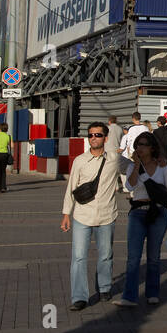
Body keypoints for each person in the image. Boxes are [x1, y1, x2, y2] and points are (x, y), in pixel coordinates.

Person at [60, 122, 121, 310]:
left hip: (106, 215)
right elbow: (71, 188)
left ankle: (104, 288)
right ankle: (79, 297)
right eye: (91, 135)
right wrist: (66, 214)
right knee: (78, 257)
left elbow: (136, 165)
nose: (93, 138)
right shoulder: (79, 161)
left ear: (106, 138)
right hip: (82, 215)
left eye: (98, 135)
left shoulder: (115, 159)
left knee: (105, 255)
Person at [119, 131, 167, 306]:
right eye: (137, 144)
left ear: (152, 148)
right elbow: (129, 185)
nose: (139, 147)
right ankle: (129, 296)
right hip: (138, 211)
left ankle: (152, 293)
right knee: (134, 256)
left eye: (143, 144)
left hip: (159, 212)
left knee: (153, 255)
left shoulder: (162, 166)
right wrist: (136, 165)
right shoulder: (132, 167)